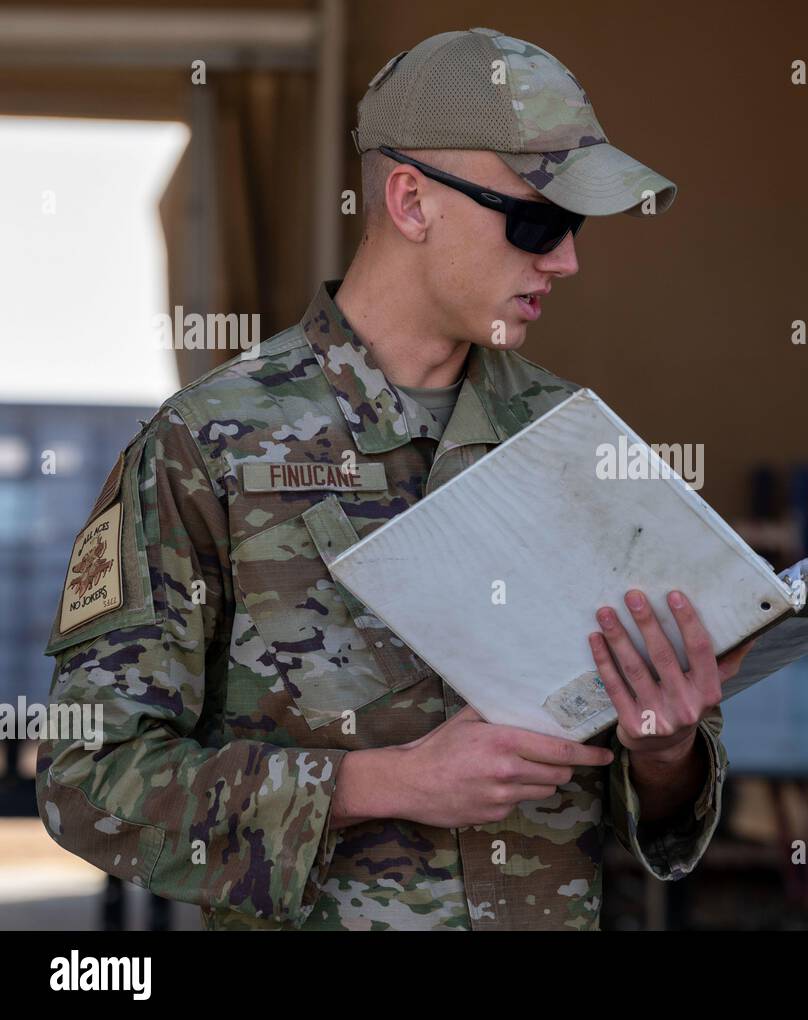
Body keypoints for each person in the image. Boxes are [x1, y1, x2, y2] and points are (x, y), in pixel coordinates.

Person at [36, 26, 752, 931]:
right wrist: (380, 784)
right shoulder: (208, 446)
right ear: (412, 202)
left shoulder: (575, 441)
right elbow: (87, 779)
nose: (566, 259)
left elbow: (663, 808)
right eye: (540, 219)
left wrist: (667, 750)